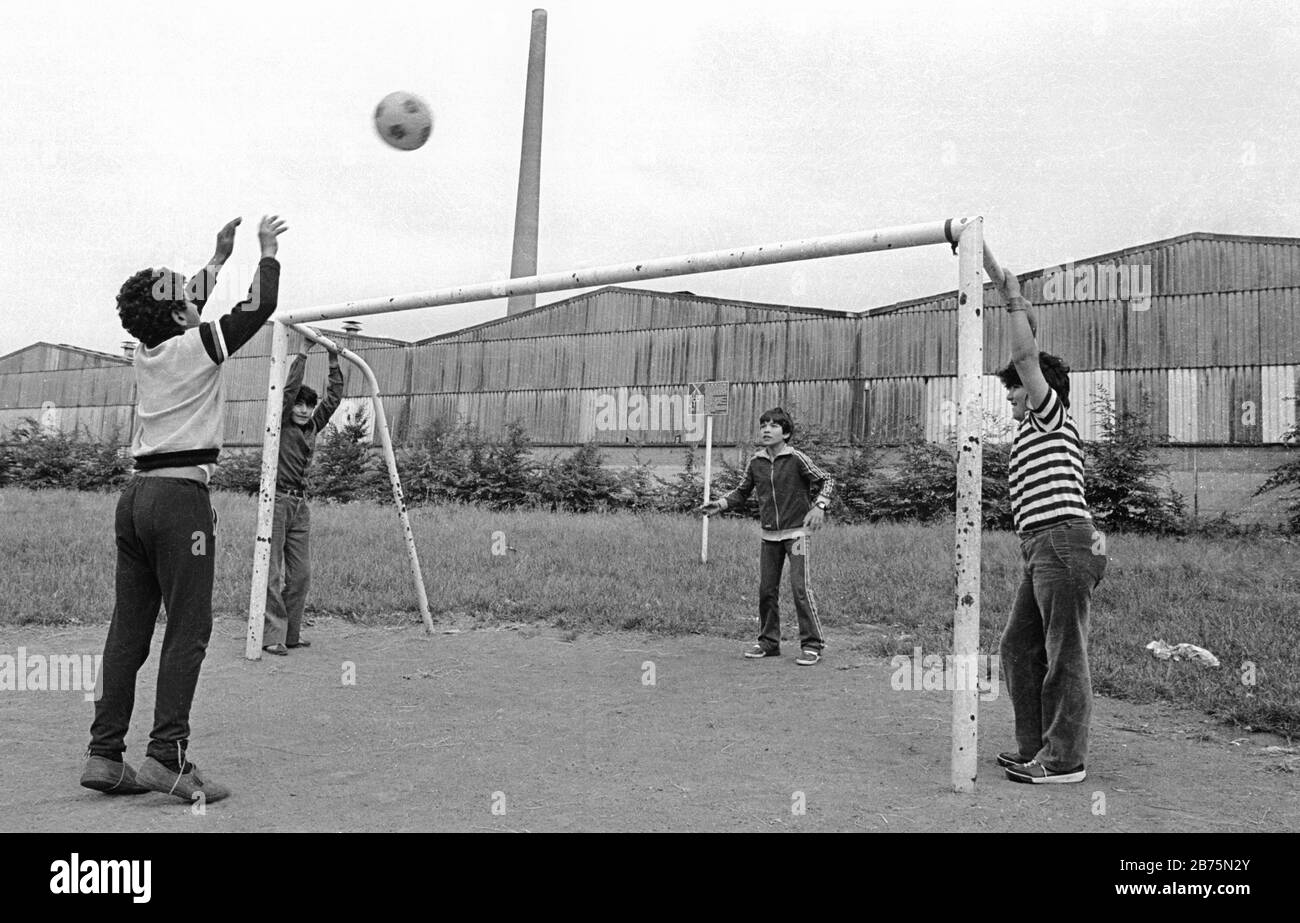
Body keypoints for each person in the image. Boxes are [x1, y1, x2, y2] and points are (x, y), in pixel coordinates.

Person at [81, 214, 288, 803]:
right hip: (179, 502)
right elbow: (260, 305)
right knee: (189, 629)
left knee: (129, 629)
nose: (193, 298)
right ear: (179, 314)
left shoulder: (147, 351)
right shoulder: (198, 343)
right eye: (186, 296)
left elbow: (175, 305)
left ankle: (104, 754)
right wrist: (264, 251)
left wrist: (217, 260)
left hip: (135, 500)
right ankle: (167, 757)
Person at [993, 268, 1108, 784]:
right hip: (1042, 547)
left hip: (1062, 541)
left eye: (1016, 391)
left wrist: (1013, 300)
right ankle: (1036, 746)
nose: (1012, 398)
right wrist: (1022, 310)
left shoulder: (1049, 414)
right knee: (1019, 647)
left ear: (1037, 391)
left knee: (1065, 653)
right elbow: (1029, 351)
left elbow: (1025, 357)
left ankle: (1064, 760)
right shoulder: (1035, 429)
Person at [699, 407, 835, 665]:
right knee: (766, 591)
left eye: (773, 426)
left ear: (786, 432)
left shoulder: (797, 459)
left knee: (800, 589)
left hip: (796, 536)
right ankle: (769, 642)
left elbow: (826, 479)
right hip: (769, 537)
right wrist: (720, 504)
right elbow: (741, 492)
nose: (766, 429)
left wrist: (820, 506)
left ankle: (812, 644)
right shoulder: (756, 462)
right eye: (763, 425)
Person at [260, 333, 344, 656]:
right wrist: (303, 354)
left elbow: (333, 398)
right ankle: (271, 636)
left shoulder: (311, 427)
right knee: (272, 571)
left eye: (309, 406)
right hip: (276, 500)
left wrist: (333, 359)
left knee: (302, 574)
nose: (305, 410)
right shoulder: (279, 422)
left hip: (299, 504)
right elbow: (288, 392)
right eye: (300, 404)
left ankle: (291, 633)